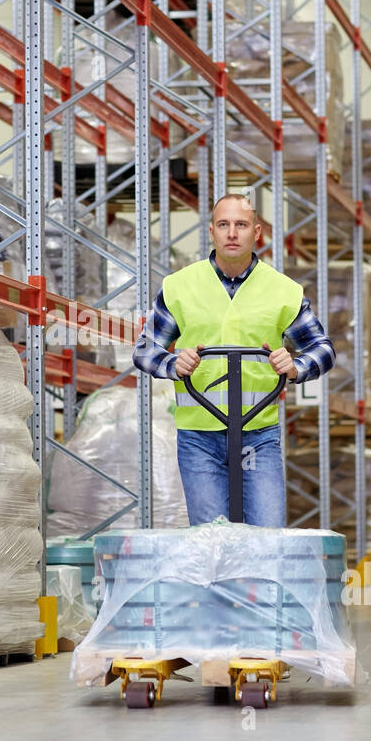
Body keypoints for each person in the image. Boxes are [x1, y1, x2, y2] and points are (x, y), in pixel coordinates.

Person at [132, 193, 336, 527]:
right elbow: (144, 349)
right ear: (211, 231)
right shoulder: (179, 286)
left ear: (256, 233)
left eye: (240, 225)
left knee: (268, 535)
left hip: (259, 433)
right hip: (199, 436)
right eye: (223, 225)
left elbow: (322, 348)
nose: (231, 233)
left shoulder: (283, 290)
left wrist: (296, 366)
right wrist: (172, 365)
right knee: (212, 540)